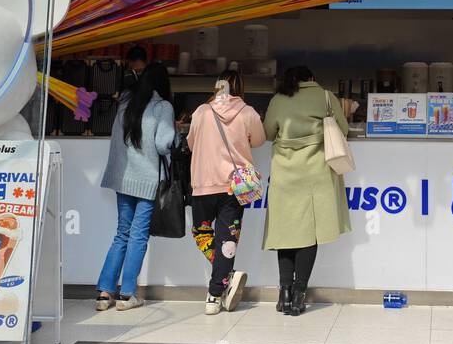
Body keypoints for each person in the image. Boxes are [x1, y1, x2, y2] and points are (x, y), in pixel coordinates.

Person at [262, 65, 350, 316]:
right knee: (309, 235)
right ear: (311, 78)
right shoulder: (325, 96)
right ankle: (300, 294)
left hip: (285, 174)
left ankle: (284, 293)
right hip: (316, 174)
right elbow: (342, 130)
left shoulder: (278, 99)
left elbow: (268, 133)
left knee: (285, 234)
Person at [95, 63, 175, 311]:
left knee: (122, 234)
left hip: (123, 179)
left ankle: (104, 292)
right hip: (147, 180)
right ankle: (128, 294)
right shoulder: (162, 107)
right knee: (138, 236)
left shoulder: (125, 104)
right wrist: (178, 135)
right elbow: (163, 145)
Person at [187, 70, 266, 315]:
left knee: (201, 232)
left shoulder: (201, 112)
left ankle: (222, 280)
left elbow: (191, 142)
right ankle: (215, 293)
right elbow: (259, 141)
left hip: (203, 184)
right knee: (227, 240)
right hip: (234, 187)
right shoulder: (249, 113)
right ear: (240, 88)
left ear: (216, 87)